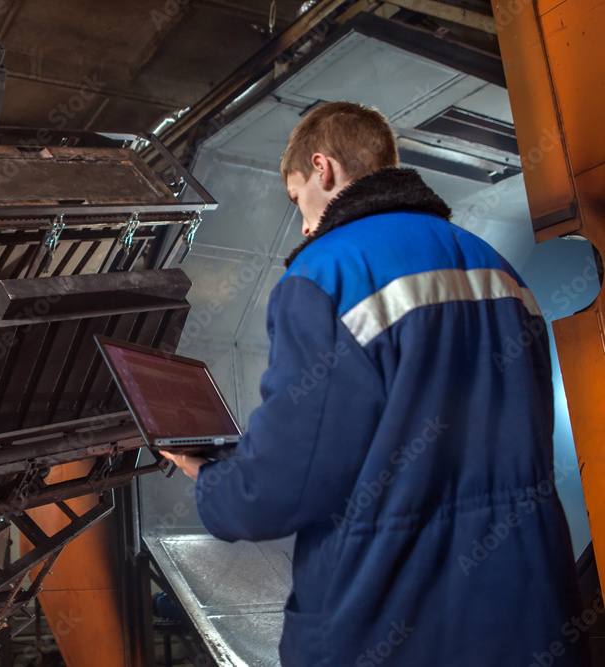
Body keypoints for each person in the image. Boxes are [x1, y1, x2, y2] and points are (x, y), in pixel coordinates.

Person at [161, 101, 589, 666]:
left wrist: (211, 479)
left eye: (298, 199)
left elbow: (279, 490)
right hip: (529, 615)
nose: (305, 223)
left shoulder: (326, 272)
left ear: (324, 169)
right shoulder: (497, 268)